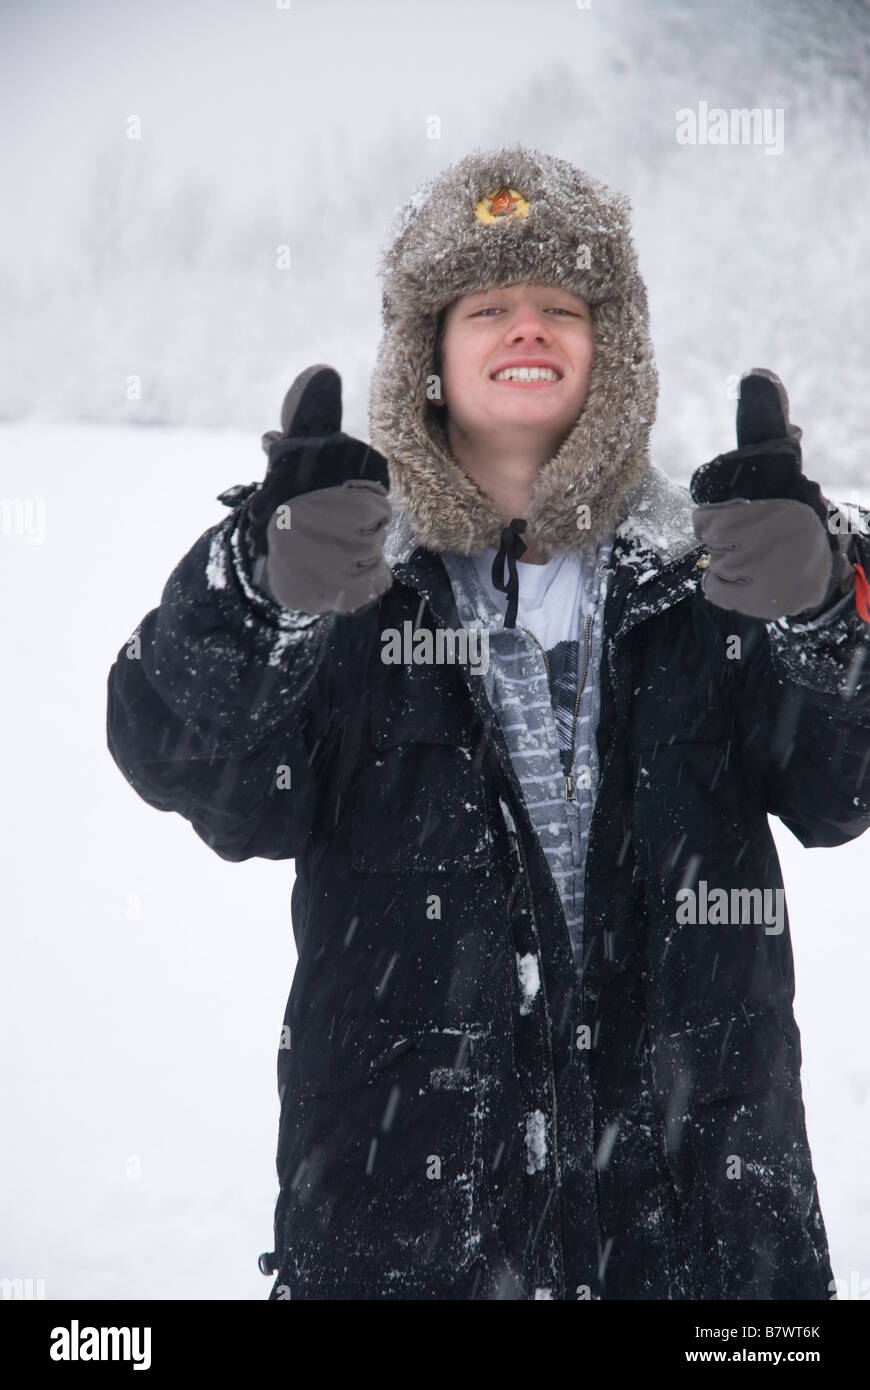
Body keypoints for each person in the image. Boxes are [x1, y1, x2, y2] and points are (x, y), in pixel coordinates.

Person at [106, 145, 870, 1300]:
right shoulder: (338, 572)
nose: (528, 328)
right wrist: (253, 589)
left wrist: (830, 606)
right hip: (406, 1236)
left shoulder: (730, 564)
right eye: (487, 305)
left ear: (611, 350)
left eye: (563, 304)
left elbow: (838, 785)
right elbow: (194, 762)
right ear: (427, 351)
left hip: (706, 1237)